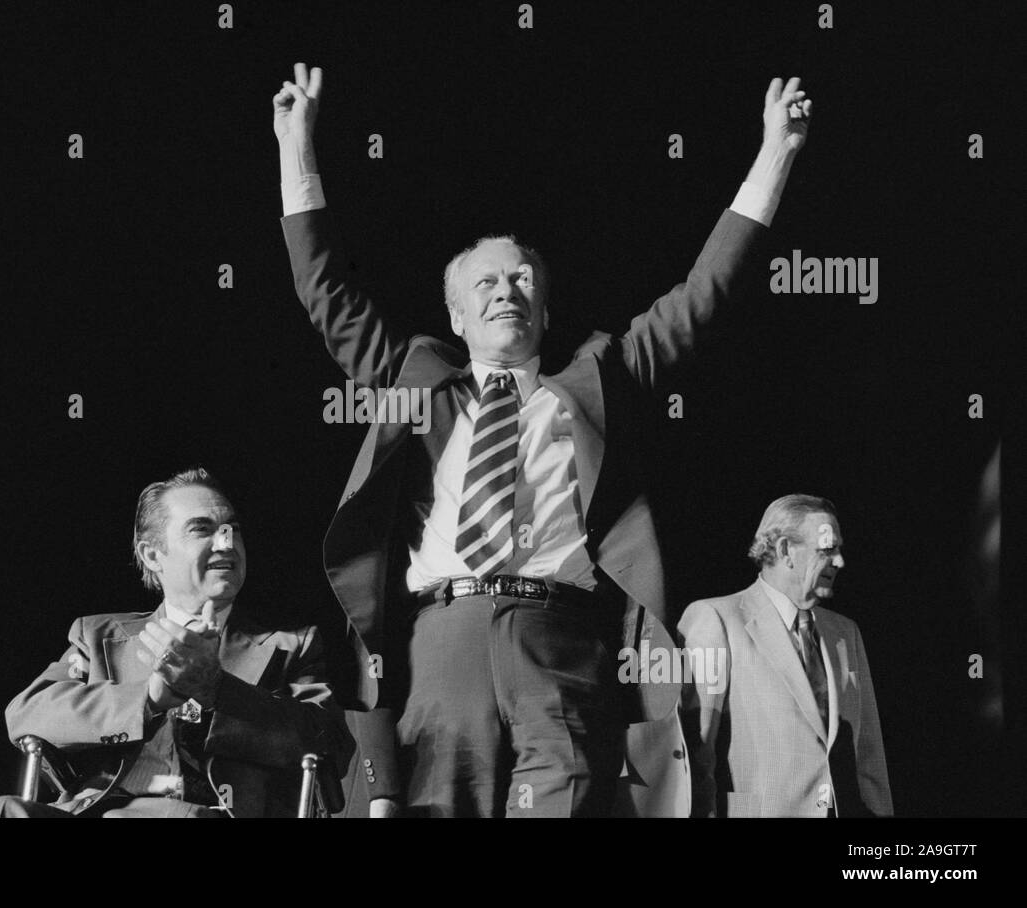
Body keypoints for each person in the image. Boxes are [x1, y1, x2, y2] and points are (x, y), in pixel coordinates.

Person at [273, 62, 811, 817]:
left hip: (560, 645)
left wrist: (775, 154)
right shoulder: (414, 379)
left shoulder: (597, 380)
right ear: (456, 316)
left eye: (524, 279)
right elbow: (325, 291)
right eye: (487, 284)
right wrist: (295, 142)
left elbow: (702, 297)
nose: (508, 291)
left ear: (547, 312)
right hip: (440, 646)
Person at [0, 467, 352, 818]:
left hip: (209, 812)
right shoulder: (101, 636)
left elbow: (327, 741)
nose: (226, 543)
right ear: (152, 555)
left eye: (232, 529)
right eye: (202, 530)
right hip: (99, 809)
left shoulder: (290, 645)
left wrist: (215, 689)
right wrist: (148, 699)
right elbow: (27, 714)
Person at [677, 495, 892, 817]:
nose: (840, 561)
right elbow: (696, 753)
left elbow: (869, 754)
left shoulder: (845, 632)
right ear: (784, 551)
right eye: (827, 549)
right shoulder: (715, 619)